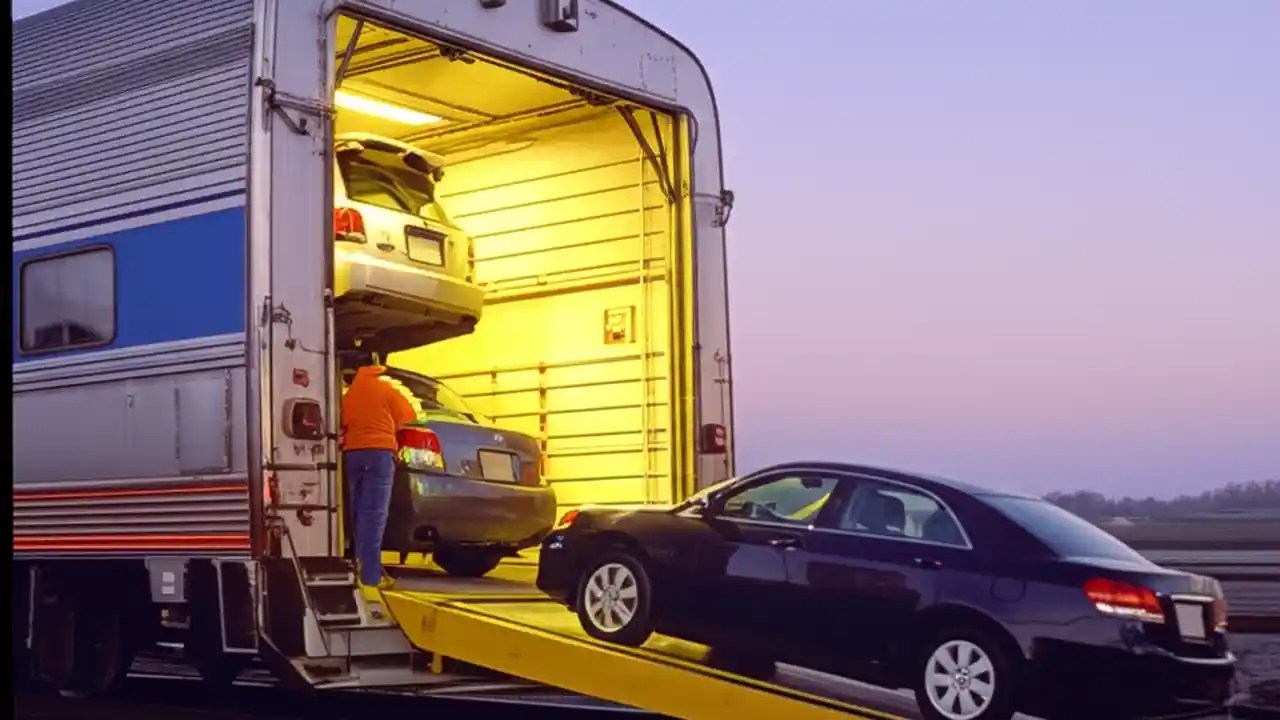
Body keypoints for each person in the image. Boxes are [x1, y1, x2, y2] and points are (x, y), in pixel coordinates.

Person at [340, 357, 417, 591]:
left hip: (352, 454)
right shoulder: (386, 389)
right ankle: (371, 576)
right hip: (380, 454)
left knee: (354, 513)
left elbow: (340, 423)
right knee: (373, 514)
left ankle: (357, 566)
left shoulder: (347, 395)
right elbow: (409, 417)